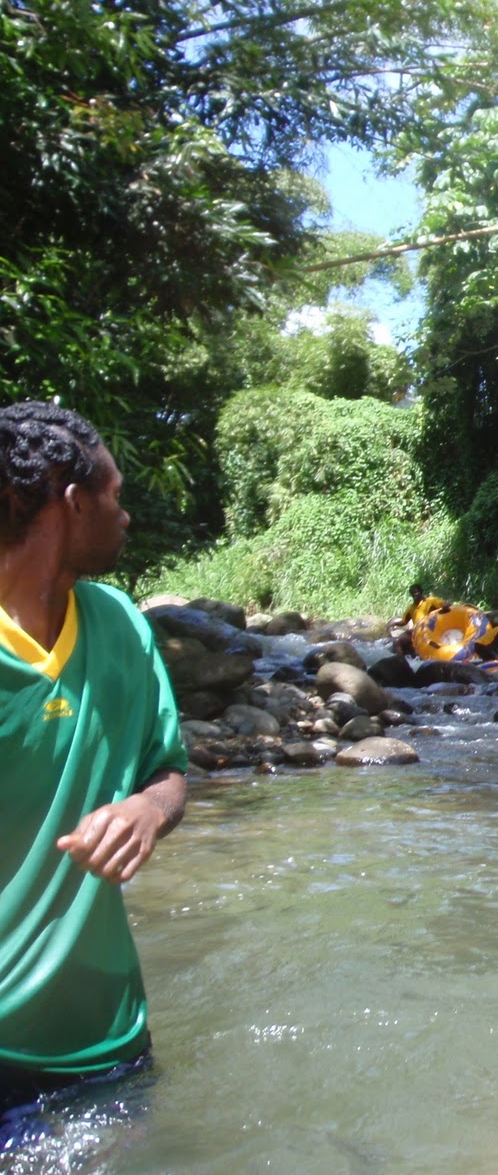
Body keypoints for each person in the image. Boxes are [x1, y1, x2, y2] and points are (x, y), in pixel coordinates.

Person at [0, 402, 188, 1121]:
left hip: (110, 1043)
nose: (125, 514)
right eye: (114, 495)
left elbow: (166, 773)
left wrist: (147, 809)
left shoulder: (119, 623)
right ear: (72, 504)